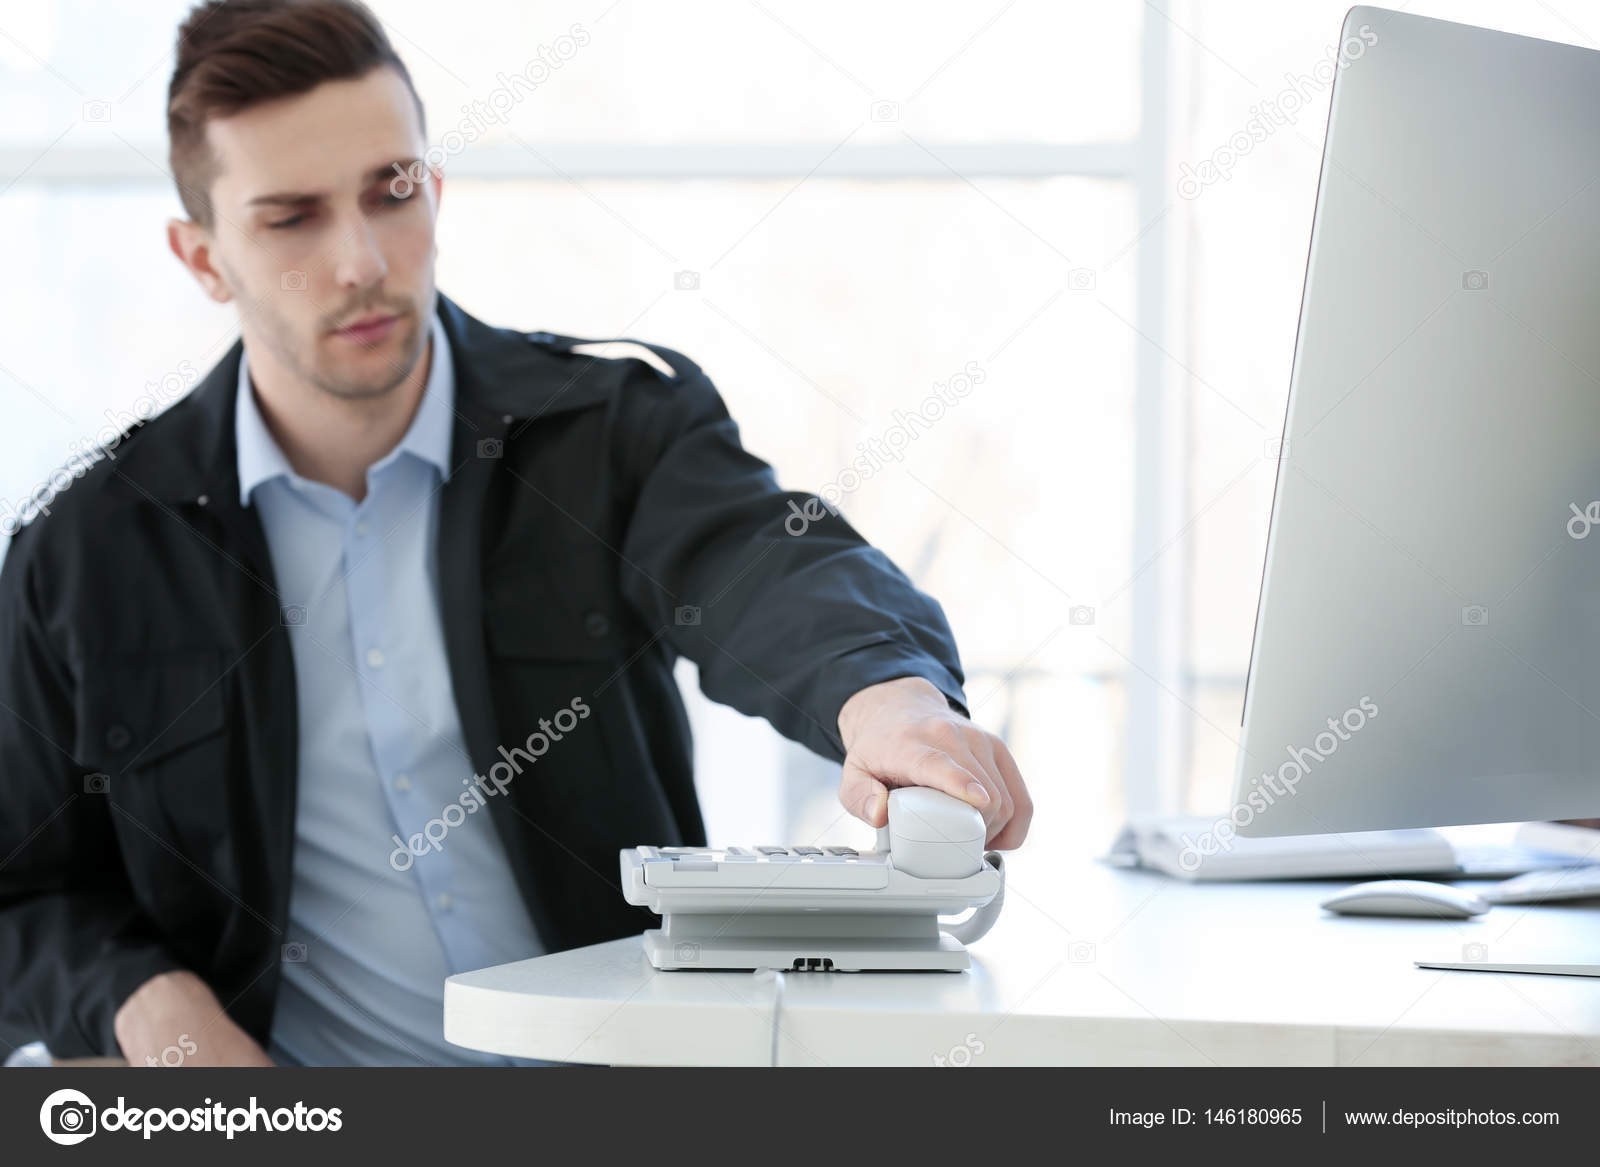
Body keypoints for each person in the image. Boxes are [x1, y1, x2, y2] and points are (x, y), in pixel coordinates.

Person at [0, 0, 1031, 1067]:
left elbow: (758, 558)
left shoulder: (609, 430)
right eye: (291, 217)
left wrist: (888, 702)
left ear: (434, 192)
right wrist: (151, 1007)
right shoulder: (88, 551)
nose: (360, 259)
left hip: (621, 1103)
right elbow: (24, 887)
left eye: (389, 192)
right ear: (203, 257)